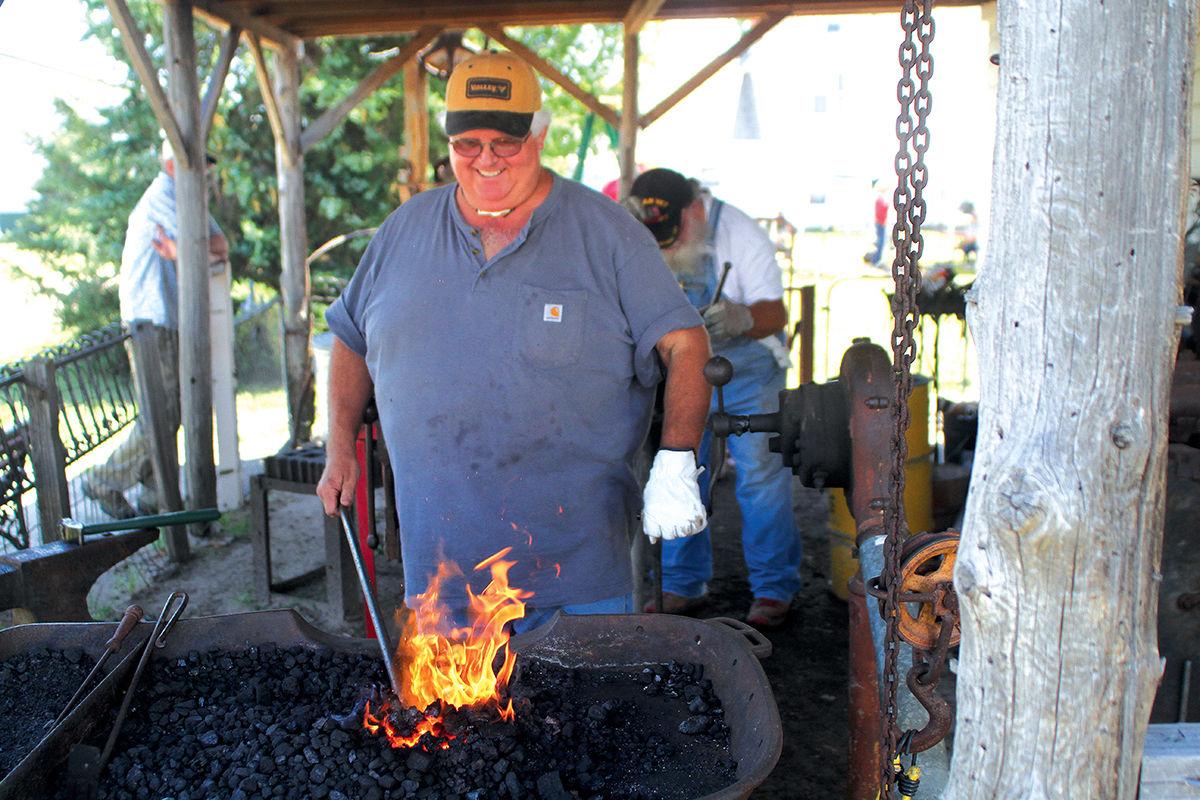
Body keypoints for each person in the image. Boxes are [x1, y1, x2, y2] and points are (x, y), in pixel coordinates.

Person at [316, 51, 711, 633]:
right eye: (468, 143)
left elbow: (687, 345)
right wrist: (340, 447)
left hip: (575, 579)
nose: (486, 158)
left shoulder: (608, 234)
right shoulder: (403, 230)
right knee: (442, 698)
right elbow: (350, 335)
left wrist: (677, 459)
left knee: (584, 696)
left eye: (506, 141)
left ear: (540, 134)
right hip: (441, 577)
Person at [628, 168, 800, 629]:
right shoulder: (640, 236)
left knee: (760, 478)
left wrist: (742, 318)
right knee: (680, 467)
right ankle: (682, 583)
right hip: (686, 372)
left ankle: (774, 587)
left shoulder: (740, 233)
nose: (667, 248)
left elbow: (776, 312)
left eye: (673, 236)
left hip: (749, 369)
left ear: (694, 210)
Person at [82, 145, 228, 520]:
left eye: (206, 166)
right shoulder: (162, 196)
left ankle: (155, 499)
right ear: (172, 164)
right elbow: (197, 252)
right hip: (150, 321)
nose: (205, 173)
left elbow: (218, 247)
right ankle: (104, 480)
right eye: (198, 164)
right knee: (160, 415)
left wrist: (186, 252)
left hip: (165, 319)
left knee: (168, 412)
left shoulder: (188, 201)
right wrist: (188, 252)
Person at [864, 178, 888, 266]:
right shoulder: (879, 198)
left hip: (881, 223)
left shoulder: (880, 197)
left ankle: (876, 259)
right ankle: (875, 260)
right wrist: (882, 222)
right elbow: (879, 212)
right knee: (880, 242)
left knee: (881, 242)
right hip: (880, 223)